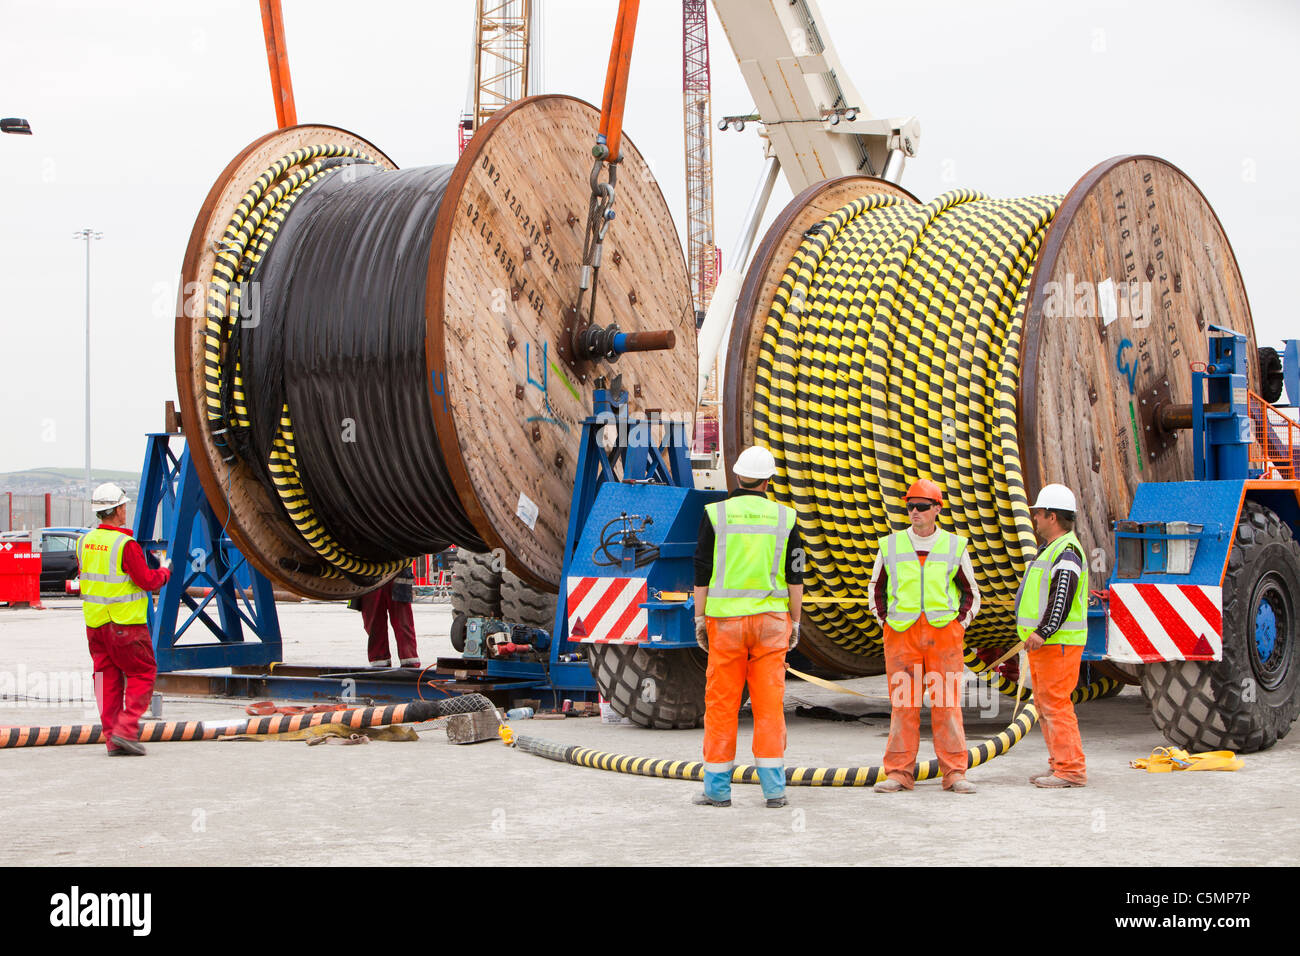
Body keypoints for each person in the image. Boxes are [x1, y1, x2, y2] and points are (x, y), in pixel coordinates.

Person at [693, 445, 803, 809]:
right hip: (772, 625)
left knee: (722, 706)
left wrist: (699, 617)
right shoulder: (786, 519)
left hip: (725, 624)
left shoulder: (715, 514)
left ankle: (717, 791)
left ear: (737, 476)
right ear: (768, 481)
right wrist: (796, 622)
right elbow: (795, 576)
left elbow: (701, 570)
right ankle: (774, 791)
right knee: (769, 707)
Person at [869, 478, 980, 793]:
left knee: (947, 707)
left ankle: (955, 772)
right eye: (910, 506)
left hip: (943, 637)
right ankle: (899, 773)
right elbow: (876, 590)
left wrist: (958, 625)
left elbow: (971, 593)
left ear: (936, 509)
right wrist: (887, 623)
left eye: (921, 506)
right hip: (902, 636)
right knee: (904, 707)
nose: (914, 511)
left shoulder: (954, 546)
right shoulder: (890, 545)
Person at [77, 482, 170, 757]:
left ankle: (112, 740)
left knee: (106, 680)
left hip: (95, 625)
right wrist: (164, 572)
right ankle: (126, 729)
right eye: (123, 506)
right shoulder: (125, 545)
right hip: (125, 626)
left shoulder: (84, 541)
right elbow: (146, 581)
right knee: (143, 672)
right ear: (117, 510)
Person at [1016, 483, 1090, 788]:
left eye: (1039, 514)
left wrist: (1043, 631)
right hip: (1047, 645)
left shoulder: (1067, 552)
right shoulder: (1054, 550)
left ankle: (1071, 769)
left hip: (1057, 644)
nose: (1035, 519)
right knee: (1047, 706)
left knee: (1056, 705)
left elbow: (1063, 596)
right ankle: (1060, 764)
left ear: (1052, 516)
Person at [356, 564, 419, 668]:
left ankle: (409, 663)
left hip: (395, 572)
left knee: (402, 623)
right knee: (374, 625)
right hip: (370, 575)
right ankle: (380, 663)